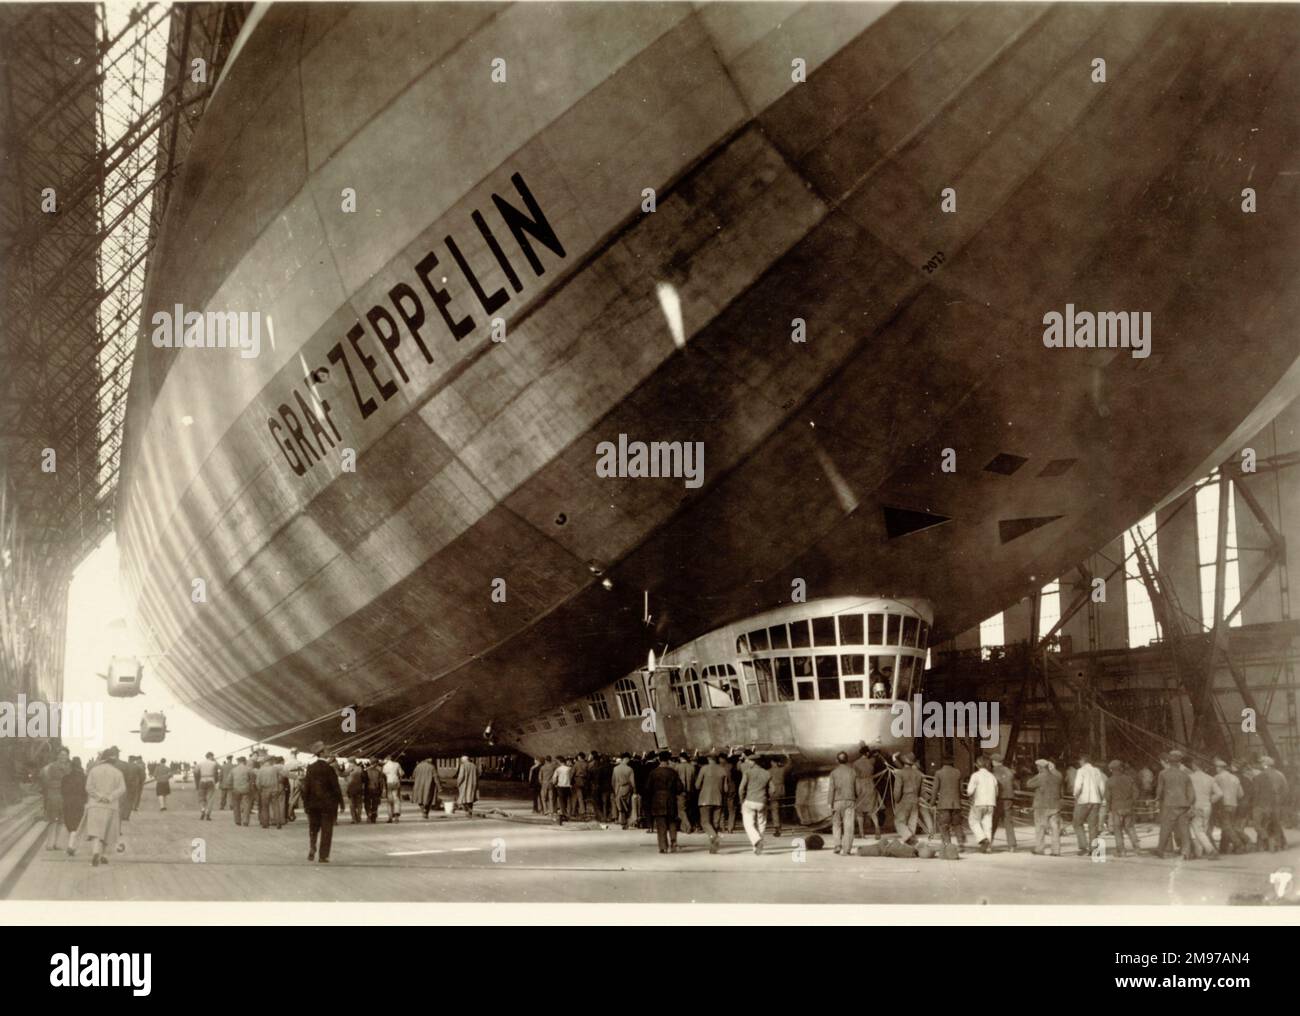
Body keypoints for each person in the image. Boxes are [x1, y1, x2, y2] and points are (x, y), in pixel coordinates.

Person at [78, 747, 126, 867]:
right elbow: (122, 789)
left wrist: (99, 796)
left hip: (95, 805)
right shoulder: (118, 772)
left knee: (96, 832)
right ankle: (103, 855)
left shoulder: (94, 771)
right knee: (108, 832)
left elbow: (88, 787)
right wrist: (109, 797)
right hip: (111, 806)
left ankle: (95, 852)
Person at [302, 741, 343, 863]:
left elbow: (306, 787)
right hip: (327, 804)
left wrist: (305, 804)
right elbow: (335, 787)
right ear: (322, 753)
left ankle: (312, 846)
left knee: (313, 828)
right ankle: (323, 856)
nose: (328, 752)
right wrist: (341, 802)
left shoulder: (310, 768)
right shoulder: (329, 769)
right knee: (326, 830)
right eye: (326, 751)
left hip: (313, 804)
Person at [1154, 751, 1193, 859]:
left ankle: (1160, 850)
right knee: (1184, 830)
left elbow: (1160, 790)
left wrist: (1157, 798)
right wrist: (1189, 804)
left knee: (1165, 828)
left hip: (1169, 804)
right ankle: (1187, 852)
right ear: (1179, 762)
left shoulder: (1163, 773)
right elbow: (1191, 792)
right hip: (1183, 805)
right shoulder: (1185, 775)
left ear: (1169, 762)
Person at [645, 751, 682, 853]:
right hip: (670, 799)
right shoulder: (673, 772)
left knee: (661, 824)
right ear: (668, 760)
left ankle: (663, 846)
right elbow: (680, 788)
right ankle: (673, 843)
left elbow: (648, 788)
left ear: (659, 759)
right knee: (672, 822)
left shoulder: (653, 772)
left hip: (657, 800)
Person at [1186, 757, 1222, 860]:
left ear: (1194, 765)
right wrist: (1211, 800)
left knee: (1198, 830)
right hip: (1207, 806)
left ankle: (1211, 850)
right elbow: (1219, 793)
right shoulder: (1210, 778)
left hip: (1196, 805)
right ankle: (1199, 853)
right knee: (1203, 830)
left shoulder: (1190, 777)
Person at [1211, 758, 1247, 854]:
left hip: (1223, 805)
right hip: (1234, 805)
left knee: (1227, 827)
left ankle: (1240, 844)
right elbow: (1241, 794)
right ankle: (1223, 848)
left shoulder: (1217, 778)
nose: (1215, 769)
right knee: (1227, 826)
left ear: (1219, 768)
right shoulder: (1235, 778)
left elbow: (1214, 792)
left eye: (1216, 767)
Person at [1072, 754, 1106, 856]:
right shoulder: (1097, 771)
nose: (1079, 763)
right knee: (1093, 825)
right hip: (1096, 801)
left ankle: (1083, 847)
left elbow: (1078, 786)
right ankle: (1094, 849)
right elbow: (1102, 787)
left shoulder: (1081, 771)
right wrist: (1102, 798)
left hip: (1083, 800)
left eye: (1080, 761)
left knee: (1077, 823)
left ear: (1083, 761)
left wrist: (1075, 795)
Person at [1028, 758, 1063, 856]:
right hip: (1055, 806)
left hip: (1042, 806)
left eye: (1037, 767)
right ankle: (1056, 850)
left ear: (1040, 768)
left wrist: (1038, 775)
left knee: (1040, 827)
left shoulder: (1040, 777)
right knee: (1055, 828)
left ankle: (1039, 849)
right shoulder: (1056, 777)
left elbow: (1028, 784)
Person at [39, 748, 72, 851]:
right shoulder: (52, 767)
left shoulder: (69, 767)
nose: (63, 756)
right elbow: (45, 781)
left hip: (64, 797)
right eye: (61, 754)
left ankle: (56, 843)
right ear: (57, 756)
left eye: (65, 755)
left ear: (67, 756)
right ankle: (49, 843)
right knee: (53, 820)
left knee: (61, 821)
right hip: (53, 795)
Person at [1255, 756, 1289, 852]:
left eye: (1261, 763)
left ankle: (1263, 845)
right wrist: (1281, 800)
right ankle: (1279, 844)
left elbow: (1258, 792)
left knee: (1263, 823)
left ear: (1265, 764)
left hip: (1264, 802)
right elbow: (1286, 789)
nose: (1260, 765)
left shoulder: (1261, 775)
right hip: (1277, 802)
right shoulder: (1280, 774)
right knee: (1276, 823)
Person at [738, 755, 771, 855]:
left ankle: (756, 841)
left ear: (754, 762)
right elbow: (773, 789)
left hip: (749, 801)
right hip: (762, 801)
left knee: (749, 824)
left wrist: (742, 801)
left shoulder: (747, 772)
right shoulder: (767, 773)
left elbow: (741, 789)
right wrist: (767, 798)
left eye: (749, 760)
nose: (747, 762)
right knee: (761, 824)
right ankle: (757, 847)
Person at [694, 753, 726, 852]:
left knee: (705, 822)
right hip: (718, 799)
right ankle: (713, 847)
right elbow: (726, 788)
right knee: (715, 823)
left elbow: (697, 785)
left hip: (705, 799)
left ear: (708, 759)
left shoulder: (704, 769)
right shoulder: (722, 769)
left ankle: (714, 837)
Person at [966, 756, 999, 853]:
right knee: (987, 824)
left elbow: (969, 791)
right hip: (991, 803)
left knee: (973, 821)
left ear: (977, 765)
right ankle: (988, 847)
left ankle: (982, 839)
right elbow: (997, 792)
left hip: (979, 803)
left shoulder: (975, 776)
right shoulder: (992, 776)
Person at [1105, 761, 1137, 857]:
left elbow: (1107, 797)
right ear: (1121, 769)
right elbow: (1136, 792)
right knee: (1130, 827)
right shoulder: (1129, 779)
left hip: (1116, 808)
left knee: (1117, 829)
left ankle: (1121, 851)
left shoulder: (1109, 781)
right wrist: (1131, 802)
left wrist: (1108, 809)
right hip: (1128, 807)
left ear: (1111, 770)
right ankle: (1137, 848)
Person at [828, 751, 857, 856]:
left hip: (837, 801)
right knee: (849, 826)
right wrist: (856, 797)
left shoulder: (833, 773)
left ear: (837, 761)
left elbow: (831, 789)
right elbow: (856, 787)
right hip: (850, 801)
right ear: (847, 760)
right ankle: (847, 850)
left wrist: (829, 804)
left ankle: (837, 845)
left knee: (836, 824)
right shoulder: (852, 772)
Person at [989, 753, 1017, 852]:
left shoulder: (992, 772)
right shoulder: (1009, 771)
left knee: (993, 821)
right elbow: (1014, 785)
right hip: (1009, 799)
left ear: (994, 762)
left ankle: (988, 844)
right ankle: (1012, 845)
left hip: (997, 799)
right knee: (1008, 821)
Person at [892, 753, 923, 843]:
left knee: (899, 821)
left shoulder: (900, 773)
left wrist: (896, 799)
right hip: (915, 799)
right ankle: (910, 844)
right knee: (912, 823)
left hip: (904, 800)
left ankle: (908, 836)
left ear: (903, 762)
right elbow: (920, 790)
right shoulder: (918, 774)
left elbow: (897, 790)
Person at [853, 746, 881, 840]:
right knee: (873, 810)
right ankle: (877, 830)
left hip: (861, 786)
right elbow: (876, 754)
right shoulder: (871, 761)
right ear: (867, 753)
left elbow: (856, 778)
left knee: (859, 812)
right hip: (871, 786)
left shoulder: (856, 763)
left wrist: (856, 791)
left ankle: (862, 834)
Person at [935, 757, 963, 849]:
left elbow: (935, 789)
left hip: (943, 804)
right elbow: (961, 790)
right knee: (957, 824)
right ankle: (960, 843)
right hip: (956, 804)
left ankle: (948, 844)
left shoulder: (939, 773)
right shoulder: (957, 772)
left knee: (944, 824)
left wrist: (931, 802)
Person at [60, 757, 86, 854]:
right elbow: (86, 791)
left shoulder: (65, 778)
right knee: (76, 824)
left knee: (69, 824)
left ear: (71, 765)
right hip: (79, 803)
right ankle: (72, 845)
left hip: (68, 803)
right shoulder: (84, 777)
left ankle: (71, 845)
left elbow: (62, 791)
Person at [256, 756, 283, 829]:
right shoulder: (275, 769)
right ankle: (278, 823)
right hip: (274, 789)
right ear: (270, 761)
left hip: (265, 790)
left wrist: (260, 790)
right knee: (276, 807)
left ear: (265, 761)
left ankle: (265, 824)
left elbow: (257, 782)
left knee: (265, 807)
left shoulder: (261, 770)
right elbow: (280, 778)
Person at [767, 755, 789, 838]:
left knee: (774, 810)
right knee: (781, 809)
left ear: (772, 763)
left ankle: (777, 827)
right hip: (782, 790)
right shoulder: (782, 770)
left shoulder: (768, 771)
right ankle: (780, 825)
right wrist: (787, 757)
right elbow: (789, 765)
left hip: (773, 791)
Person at [672, 753, 695, 832]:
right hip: (690, 791)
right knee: (687, 809)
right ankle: (684, 827)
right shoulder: (692, 767)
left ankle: (687, 826)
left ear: (680, 758)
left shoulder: (677, 767)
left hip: (680, 791)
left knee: (681, 810)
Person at [612, 754, 636, 829]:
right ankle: (626, 821)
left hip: (618, 788)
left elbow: (613, 781)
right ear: (626, 759)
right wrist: (635, 790)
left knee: (620, 805)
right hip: (627, 787)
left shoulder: (615, 768)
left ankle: (621, 820)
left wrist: (615, 789)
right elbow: (632, 782)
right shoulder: (629, 769)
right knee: (627, 804)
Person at [229, 757, 252, 826]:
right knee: (246, 805)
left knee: (236, 805)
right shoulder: (248, 769)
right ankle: (245, 821)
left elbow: (229, 780)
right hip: (246, 789)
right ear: (244, 761)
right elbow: (252, 779)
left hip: (236, 789)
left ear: (238, 762)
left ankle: (237, 821)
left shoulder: (233, 770)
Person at [196, 752, 219, 821]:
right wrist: (215, 760)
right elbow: (219, 768)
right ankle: (208, 814)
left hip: (202, 780)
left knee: (202, 797)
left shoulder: (200, 763)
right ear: (211, 756)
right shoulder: (214, 763)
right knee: (210, 798)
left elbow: (196, 772)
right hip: (210, 780)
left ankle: (203, 810)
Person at [550, 756, 573, 821]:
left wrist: (554, 784)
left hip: (560, 786)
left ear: (559, 761)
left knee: (561, 801)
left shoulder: (558, 769)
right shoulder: (569, 769)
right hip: (568, 786)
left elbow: (554, 779)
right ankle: (568, 813)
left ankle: (564, 814)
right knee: (567, 800)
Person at [382, 756, 404, 822]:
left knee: (389, 800)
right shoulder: (397, 764)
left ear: (387, 759)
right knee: (396, 798)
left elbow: (384, 775)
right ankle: (396, 814)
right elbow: (401, 773)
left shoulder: (385, 766)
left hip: (389, 783)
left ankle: (390, 817)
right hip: (396, 782)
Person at [571, 752, 590, 819]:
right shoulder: (587, 764)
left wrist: (570, 782)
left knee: (578, 797)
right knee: (580, 797)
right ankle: (574, 811)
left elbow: (572, 773)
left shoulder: (576, 764)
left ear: (579, 757)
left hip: (577, 781)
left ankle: (582, 812)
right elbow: (588, 773)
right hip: (584, 781)